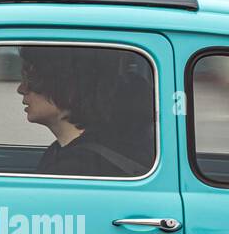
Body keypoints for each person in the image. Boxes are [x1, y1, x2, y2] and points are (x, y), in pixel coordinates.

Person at [17, 46, 152, 177]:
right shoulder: (63, 153)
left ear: (65, 87)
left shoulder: (78, 167)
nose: (21, 89)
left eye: (31, 80)